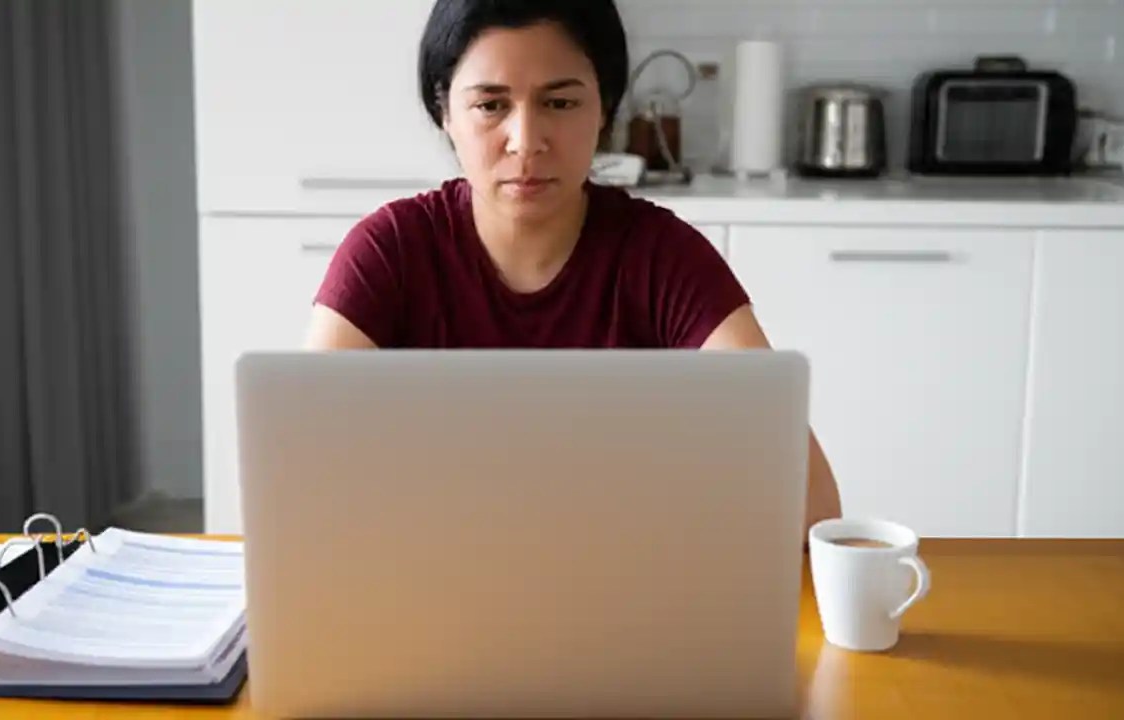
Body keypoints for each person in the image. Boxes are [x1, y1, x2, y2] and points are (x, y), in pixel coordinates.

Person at [306, 0, 841, 530]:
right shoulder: (389, 251)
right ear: (444, 112)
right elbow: (304, 475)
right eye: (491, 106)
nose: (526, 142)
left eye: (559, 103)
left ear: (605, 109)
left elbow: (810, 501)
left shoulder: (664, 257)